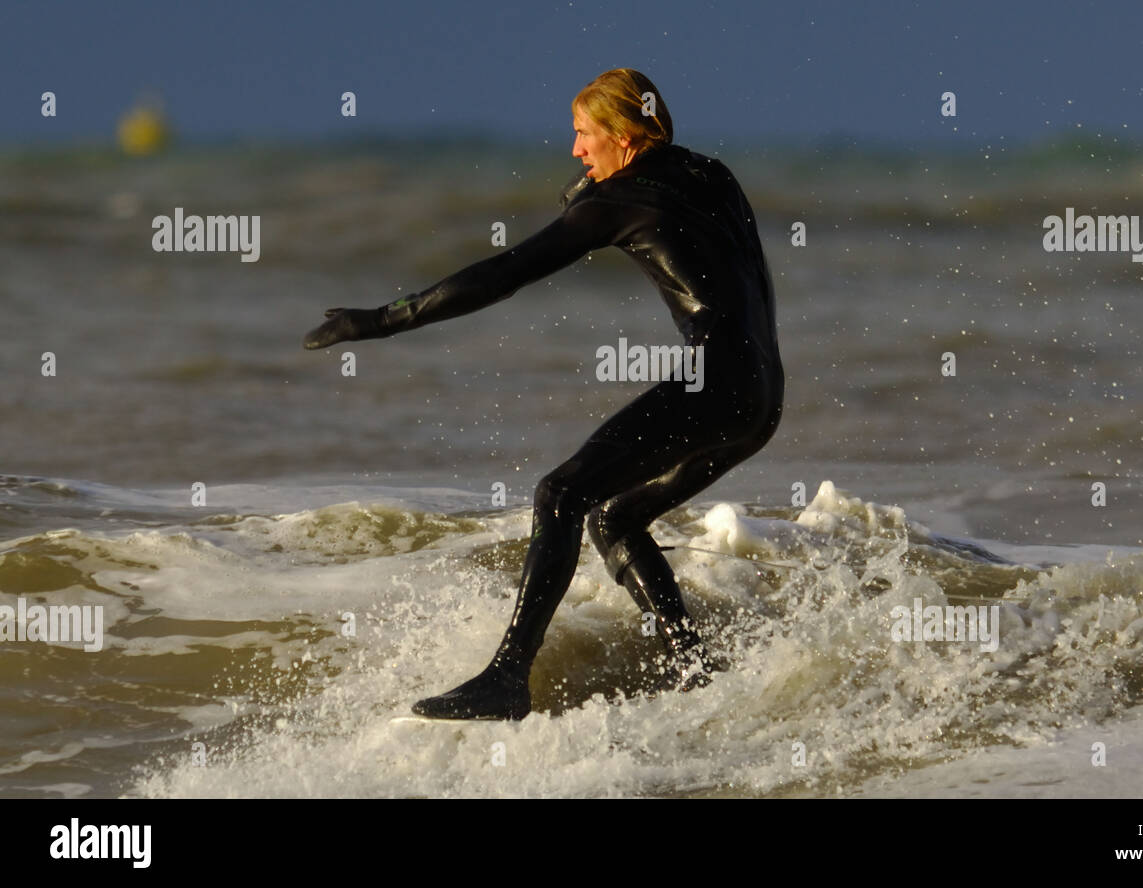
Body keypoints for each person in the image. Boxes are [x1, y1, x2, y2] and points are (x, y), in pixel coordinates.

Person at [303, 68, 783, 720]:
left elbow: (504, 274)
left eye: (585, 134)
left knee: (559, 495)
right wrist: (595, 196)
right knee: (612, 518)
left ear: (623, 132)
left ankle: (507, 677)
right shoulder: (713, 175)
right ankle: (694, 668)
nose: (576, 149)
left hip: (713, 384)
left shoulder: (614, 204)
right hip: (760, 395)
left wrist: (382, 319)